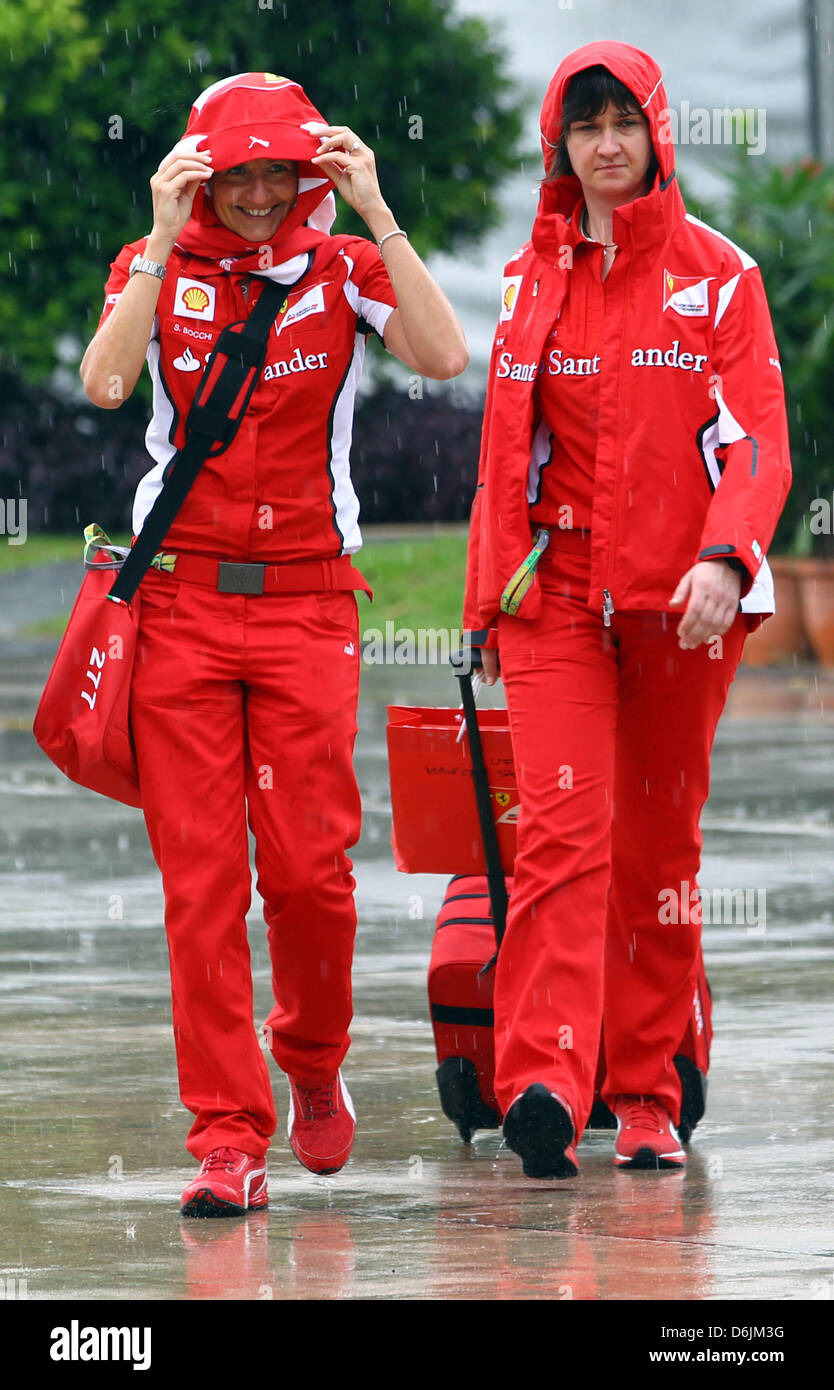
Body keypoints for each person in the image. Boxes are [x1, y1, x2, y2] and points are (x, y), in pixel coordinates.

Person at [80, 72, 468, 1216]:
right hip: (182, 607)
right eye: (235, 172)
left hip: (307, 606)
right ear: (203, 175)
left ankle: (308, 1057)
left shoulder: (345, 270)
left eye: (276, 172)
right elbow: (105, 383)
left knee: (308, 873)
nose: (257, 194)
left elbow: (446, 358)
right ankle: (226, 1135)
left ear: (308, 174)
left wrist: (378, 212)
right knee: (201, 885)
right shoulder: (158, 266)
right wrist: (157, 239)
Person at [463, 41, 790, 1178]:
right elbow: (503, 453)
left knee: (656, 851)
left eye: (624, 125)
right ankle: (547, 1078)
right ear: (562, 143)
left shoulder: (721, 276)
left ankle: (647, 1092)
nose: (606, 146)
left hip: (680, 611)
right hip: (551, 600)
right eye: (584, 127)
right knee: (559, 835)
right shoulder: (527, 279)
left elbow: (758, 444)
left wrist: (722, 558)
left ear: (656, 135)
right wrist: (482, 603)